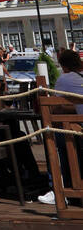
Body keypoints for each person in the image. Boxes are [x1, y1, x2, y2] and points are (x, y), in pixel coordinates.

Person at [39, 49, 83, 206]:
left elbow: (56, 107)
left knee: (56, 137)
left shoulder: (64, 79)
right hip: (78, 124)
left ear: (63, 66)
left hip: (79, 128)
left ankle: (60, 186)